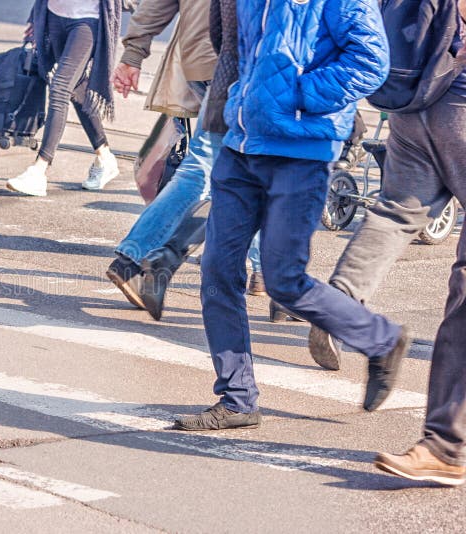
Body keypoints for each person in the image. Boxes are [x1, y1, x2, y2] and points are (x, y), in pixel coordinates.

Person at [174, 0, 410, 432]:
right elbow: (233, 44)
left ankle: (381, 340)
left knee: (283, 279)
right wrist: (242, 98)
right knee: (218, 271)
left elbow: (371, 60)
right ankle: (237, 399)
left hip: (302, 152)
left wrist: (297, 93)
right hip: (240, 147)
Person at [311, 0, 466, 485]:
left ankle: (339, 308)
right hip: (458, 93)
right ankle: (446, 444)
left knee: (396, 211)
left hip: (413, 96)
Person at [108, 0, 264, 322]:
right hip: (237, 64)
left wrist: (134, 52)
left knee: (246, 170)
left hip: (201, 59)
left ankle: (265, 273)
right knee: (217, 168)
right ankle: (134, 257)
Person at [5, 0, 122, 196]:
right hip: (54, 14)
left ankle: (39, 169)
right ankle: (104, 155)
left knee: (60, 87)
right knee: (75, 86)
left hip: (86, 20)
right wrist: (36, 15)